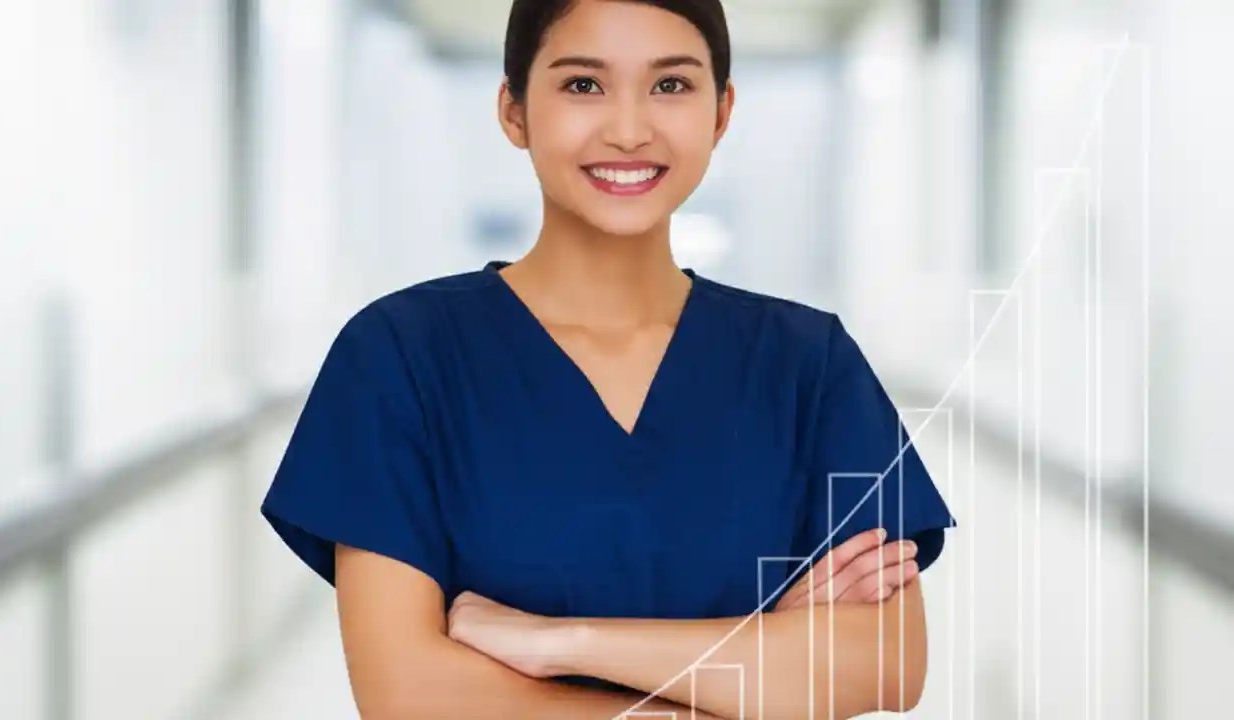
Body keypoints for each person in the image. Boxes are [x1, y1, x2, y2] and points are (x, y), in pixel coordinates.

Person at [259, 0, 957, 717]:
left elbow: (885, 663)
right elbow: (409, 697)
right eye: (583, 85)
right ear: (514, 111)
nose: (628, 131)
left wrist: (564, 642)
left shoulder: (811, 366)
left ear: (721, 113)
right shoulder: (400, 356)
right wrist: (760, 663)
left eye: (671, 85)